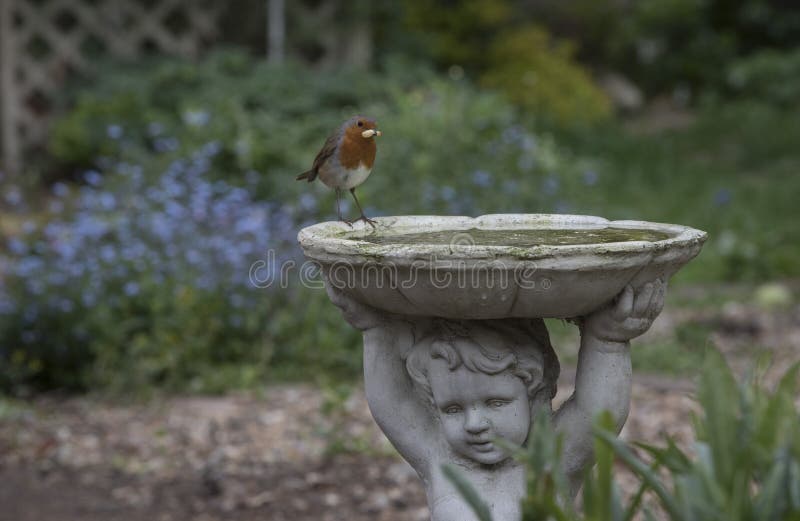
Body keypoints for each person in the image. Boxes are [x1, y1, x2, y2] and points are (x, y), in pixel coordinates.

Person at [326, 279, 665, 521]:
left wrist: (606, 341)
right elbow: (393, 403)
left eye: (496, 403)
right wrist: (374, 331)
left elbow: (598, 413)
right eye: (453, 409)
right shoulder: (440, 456)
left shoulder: (552, 458)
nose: (474, 424)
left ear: (534, 391)